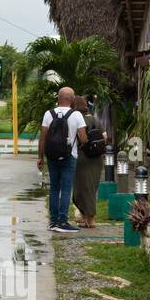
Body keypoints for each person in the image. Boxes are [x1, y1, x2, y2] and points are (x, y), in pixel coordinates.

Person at [38, 86, 88, 234]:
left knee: (54, 188)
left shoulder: (49, 114)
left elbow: (43, 138)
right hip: (69, 156)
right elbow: (83, 138)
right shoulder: (77, 115)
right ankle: (63, 221)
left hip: (52, 156)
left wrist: (40, 157)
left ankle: (53, 221)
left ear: (58, 99)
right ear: (72, 100)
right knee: (66, 188)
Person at [71, 95, 105, 228]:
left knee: (81, 189)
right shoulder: (95, 120)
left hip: (82, 157)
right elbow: (105, 136)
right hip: (96, 158)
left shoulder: (77, 119)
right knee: (90, 188)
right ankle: (87, 218)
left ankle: (90, 220)